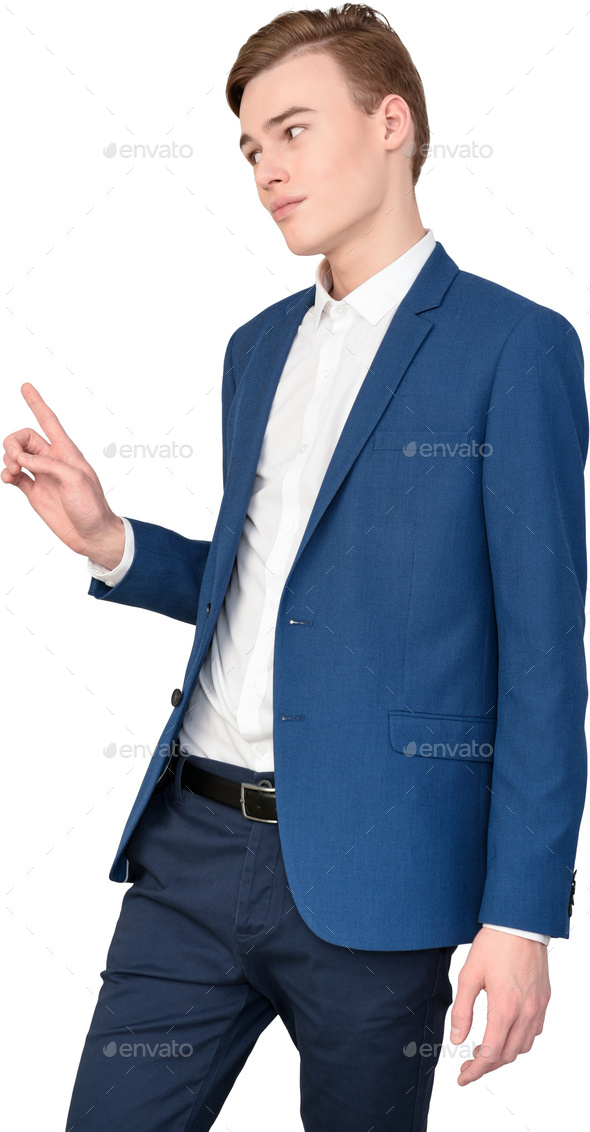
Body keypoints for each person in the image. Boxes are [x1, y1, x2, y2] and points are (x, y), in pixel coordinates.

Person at [3, 6, 586, 1131]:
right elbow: (269, 591)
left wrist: (521, 919)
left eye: (290, 129)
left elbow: (542, 662)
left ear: (389, 122)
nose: (264, 168)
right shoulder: (255, 347)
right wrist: (110, 539)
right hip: (190, 859)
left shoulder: (513, 347)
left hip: (380, 882)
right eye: (248, 147)